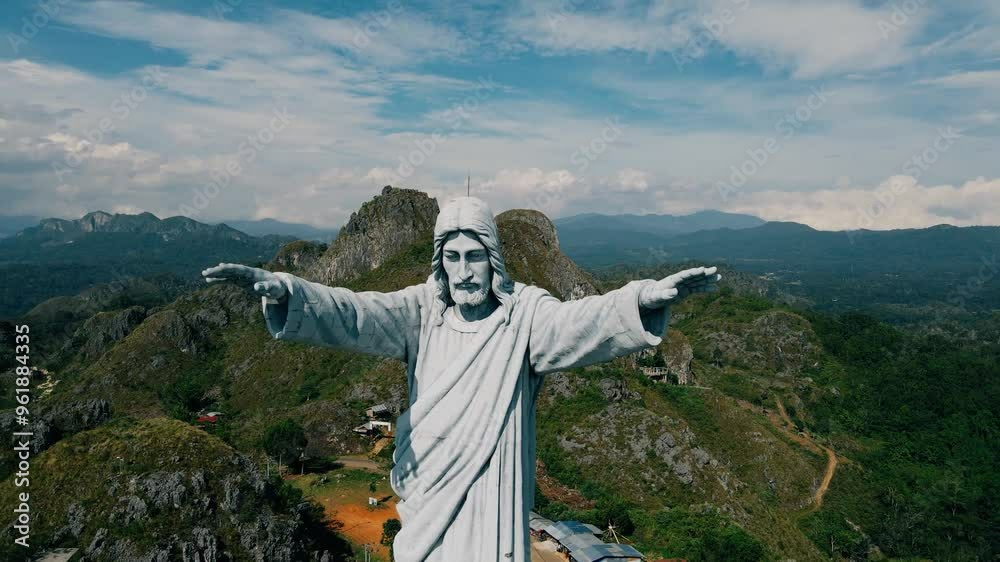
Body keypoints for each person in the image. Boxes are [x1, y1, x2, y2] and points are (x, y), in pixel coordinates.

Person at [202, 196, 720, 562]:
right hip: (429, 502)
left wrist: (643, 299)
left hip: (493, 510)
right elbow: (354, 314)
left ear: (493, 260)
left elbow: (583, 322)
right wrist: (288, 291)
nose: (464, 270)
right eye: (452, 257)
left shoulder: (525, 319)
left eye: (475, 256)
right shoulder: (419, 313)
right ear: (440, 262)